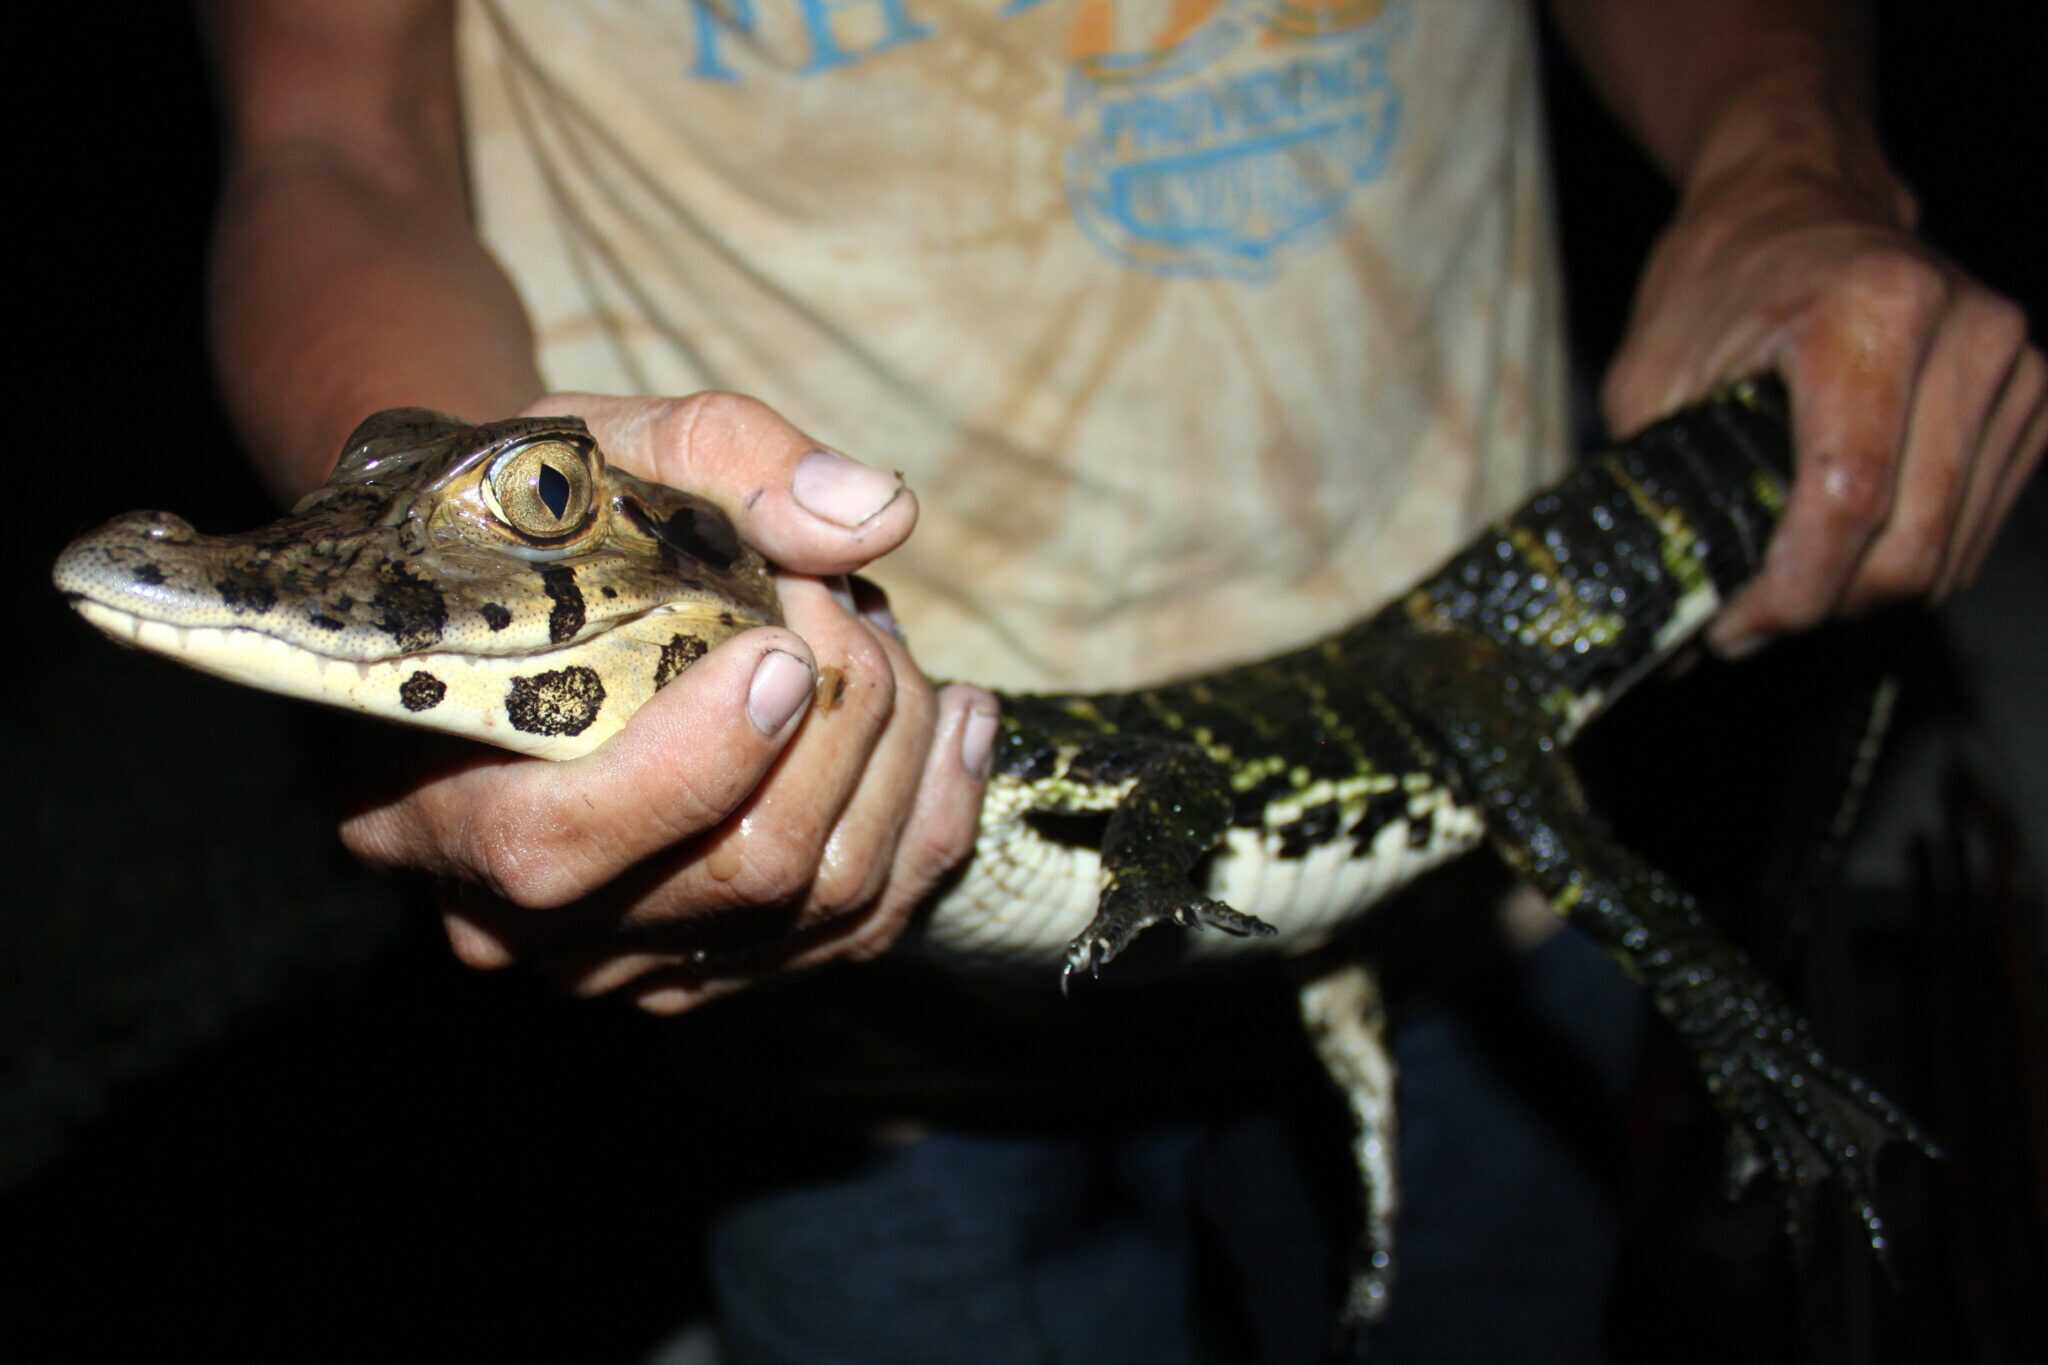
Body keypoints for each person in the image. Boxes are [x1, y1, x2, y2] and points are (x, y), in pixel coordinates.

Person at [202, 0, 2044, 1358]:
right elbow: (327, 142)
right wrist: (490, 501)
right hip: (852, 1081)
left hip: (1481, 894)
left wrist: (1788, 165)